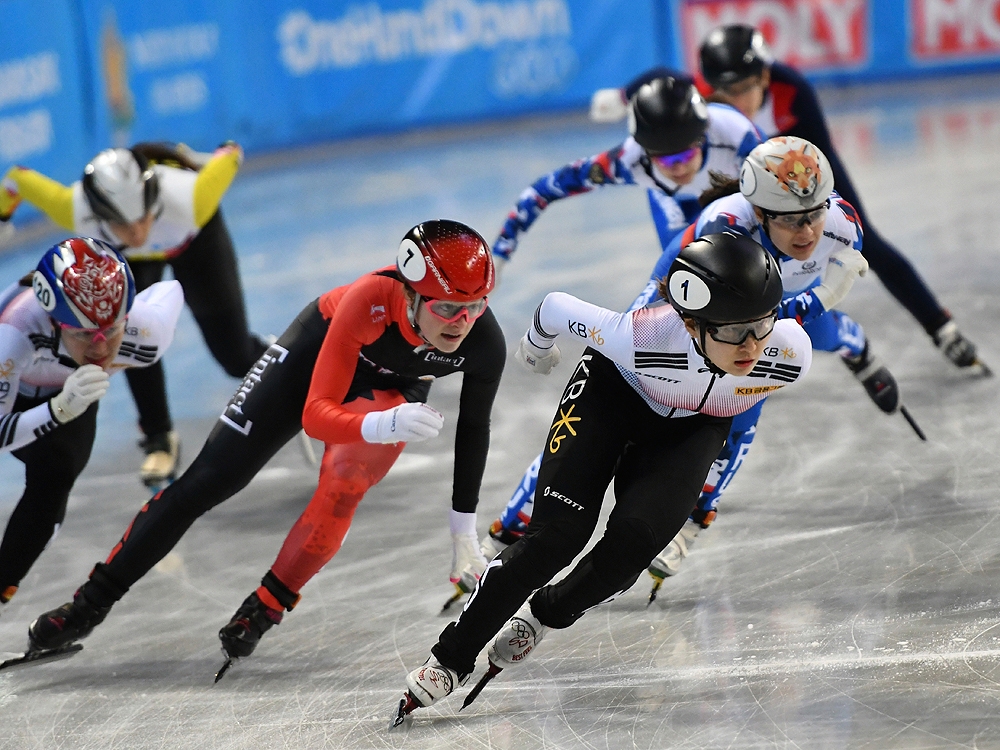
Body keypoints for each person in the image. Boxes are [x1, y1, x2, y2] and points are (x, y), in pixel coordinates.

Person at [24, 220, 506, 666]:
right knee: (209, 480)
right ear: (409, 294)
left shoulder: (484, 342)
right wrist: (383, 425)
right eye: (446, 307)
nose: (461, 322)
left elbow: (474, 429)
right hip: (315, 355)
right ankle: (87, 606)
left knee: (345, 483)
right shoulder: (369, 301)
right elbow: (317, 416)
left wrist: (463, 532)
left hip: (391, 386)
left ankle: (266, 606)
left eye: (474, 306)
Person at [392, 232, 813, 721]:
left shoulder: (788, 356)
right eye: (732, 332)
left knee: (632, 547)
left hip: (692, 427)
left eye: (761, 326)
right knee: (556, 538)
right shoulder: (640, 336)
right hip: (611, 396)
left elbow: (745, 418)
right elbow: (554, 307)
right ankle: (450, 656)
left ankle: (547, 613)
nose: (751, 347)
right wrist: (535, 347)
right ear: (691, 323)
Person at [480, 136, 877, 591]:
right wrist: (825, 296)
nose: (806, 232)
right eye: (790, 220)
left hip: (758, 315)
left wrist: (813, 306)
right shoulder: (725, 226)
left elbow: (760, 326)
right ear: (760, 213)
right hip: (691, 304)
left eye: (813, 215)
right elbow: (724, 315)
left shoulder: (843, 226)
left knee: (741, 414)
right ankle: (512, 525)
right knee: (615, 393)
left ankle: (693, 521)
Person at [590, 24, 984, 372]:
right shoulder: (704, 101)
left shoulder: (792, 89)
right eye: (725, 91)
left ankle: (941, 327)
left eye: (744, 89)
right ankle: (712, 360)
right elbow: (663, 77)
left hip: (791, 175)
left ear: (764, 76)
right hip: (720, 185)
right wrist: (625, 96)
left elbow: (817, 157)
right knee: (702, 268)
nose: (734, 100)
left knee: (869, 242)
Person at [0, 142, 270, 488]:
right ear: (97, 216)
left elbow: (232, 153)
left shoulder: (194, 198)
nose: (140, 234)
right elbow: (16, 179)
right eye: (124, 225)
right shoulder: (73, 207)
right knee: (125, 337)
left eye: (144, 218)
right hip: (127, 263)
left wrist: (216, 153)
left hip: (193, 241)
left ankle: (277, 358)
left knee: (234, 357)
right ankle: (159, 438)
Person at [0, 237, 182, 612]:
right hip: (22, 385)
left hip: (70, 391)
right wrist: (58, 411)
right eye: (83, 334)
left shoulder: (146, 334)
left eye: (112, 329)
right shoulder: (13, 333)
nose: (101, 348)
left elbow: (172, 289)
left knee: (56, 477)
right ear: (54, 320)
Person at [492, 73, 761, 276]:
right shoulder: (628, 161)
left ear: (703, 139)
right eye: (664, 159)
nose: (678, 167)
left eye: (685, 155)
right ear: (646, 153)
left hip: (733, 187)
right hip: (672, 198)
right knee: (687, 267)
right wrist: (500, 252)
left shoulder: (737, 136)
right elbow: (545, 189)